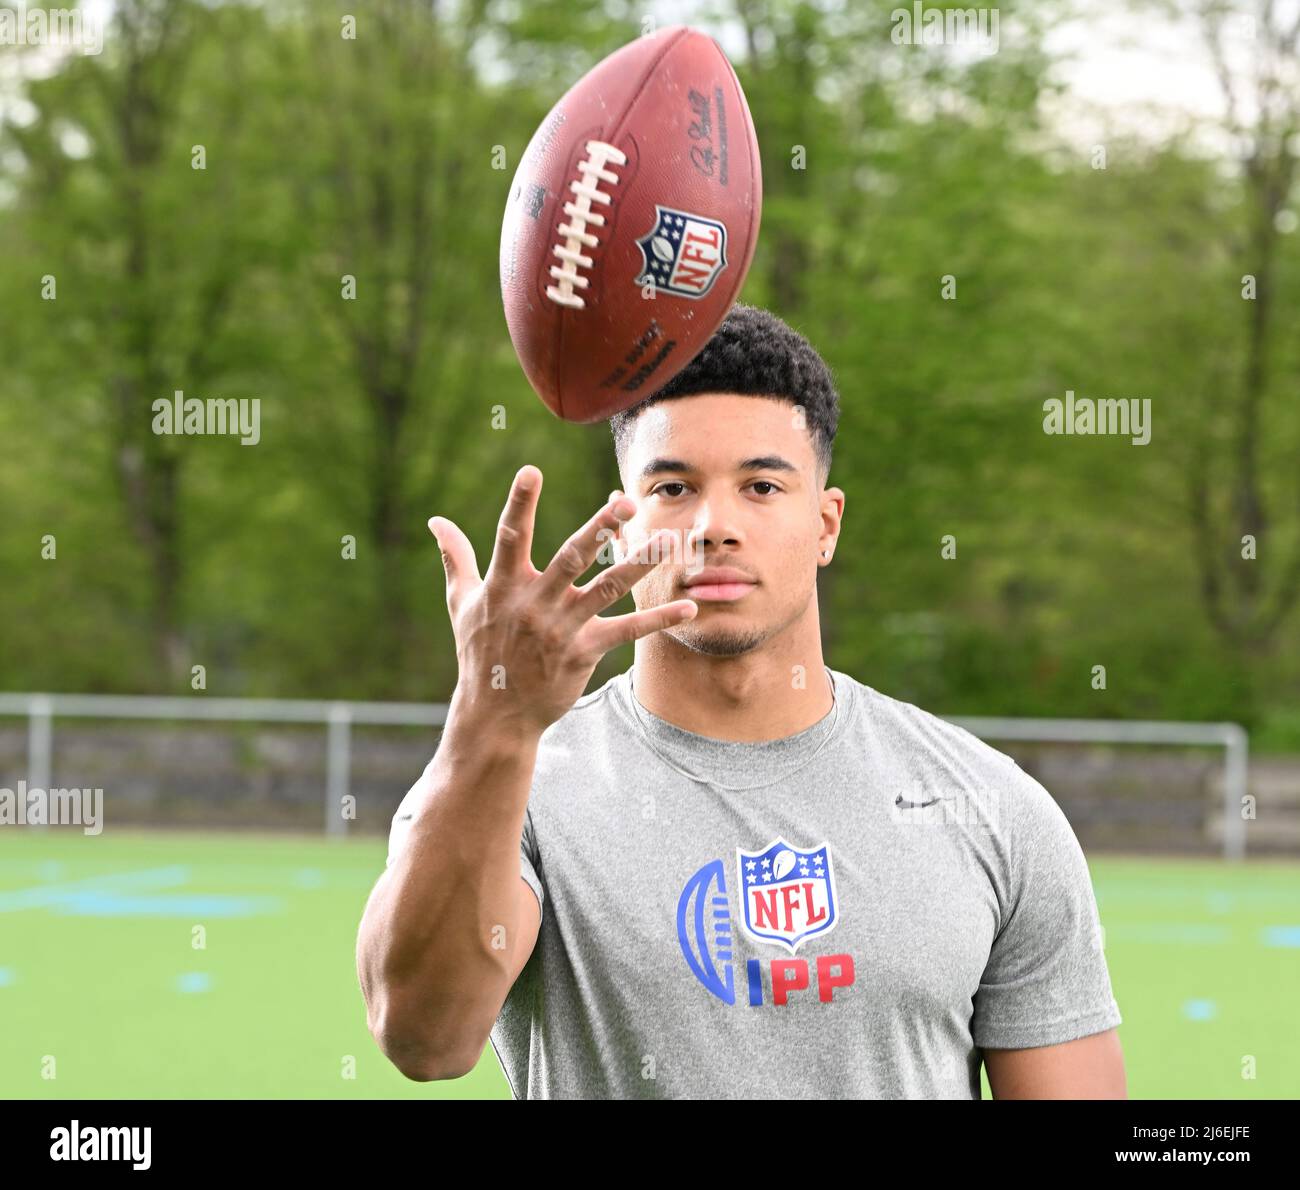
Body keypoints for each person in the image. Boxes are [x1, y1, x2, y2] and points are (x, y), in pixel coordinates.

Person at [356, 303, 1125, 1099]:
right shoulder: (513, 781)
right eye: (673, 486)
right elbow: (425, 1038)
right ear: (623, 526)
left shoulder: (988, 806)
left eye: (761, 485)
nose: (714, 525)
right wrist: (495, 721)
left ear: (826, 524)